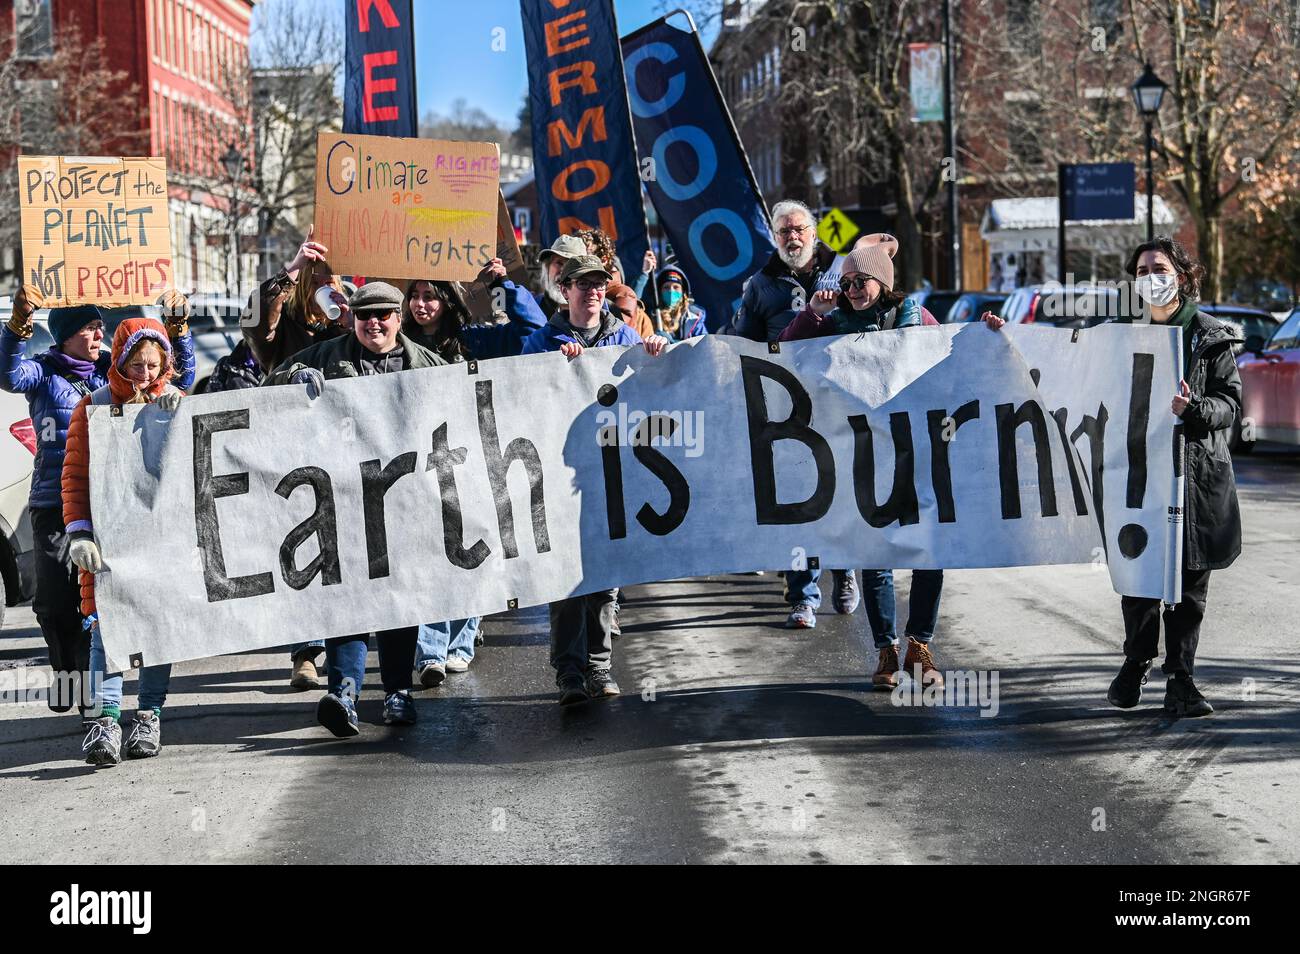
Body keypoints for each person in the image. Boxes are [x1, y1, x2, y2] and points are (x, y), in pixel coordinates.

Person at [981, 236, 1241, 717]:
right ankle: (1136, 662)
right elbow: (1066, 362)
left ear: (1182, 276)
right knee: (1139, 575)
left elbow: (1231, 404)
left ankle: (1181, 680)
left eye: (1159, 268)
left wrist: (1196, 408)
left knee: (1187, 586)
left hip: (1193, 479)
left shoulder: (1209, 336)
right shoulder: (1119, 333)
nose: (1149, 278)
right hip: (1135, 476)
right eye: (1140, 271)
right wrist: (1007, 336)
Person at [264, 281, 448, 736]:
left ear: (399, 319)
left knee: (398, 602)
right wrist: (293, 381)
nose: (375, 323)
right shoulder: (325, 356)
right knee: (347, 600)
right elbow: (268, 383)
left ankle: (396, 693)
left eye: (384, 315)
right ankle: (342, 694)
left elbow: (467, 396)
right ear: (352, 319)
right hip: (342, 503)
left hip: (403, 501)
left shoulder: (426, 363)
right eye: (366, 315)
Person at [1, 286, 194, 715]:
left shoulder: (112, 371)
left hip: (113, 501)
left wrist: (178, 327)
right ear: (66, 335)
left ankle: (94, 688)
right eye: (89, 329)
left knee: (99, 596)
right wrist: (17, 324)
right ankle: (66, 673)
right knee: (54, 599)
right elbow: (6, 375)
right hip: (55, 498)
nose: (98, 336)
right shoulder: (43, 372)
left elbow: (173, 375)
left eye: (100, 328)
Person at [779, 235, 945, 688]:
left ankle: (920, 646)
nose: (852, 288)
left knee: (932, 550)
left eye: (862, 280)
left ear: (883, 283)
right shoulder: (831, 323)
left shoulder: (914, 318)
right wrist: (813, 312)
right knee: (874, 554)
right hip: (862, 457)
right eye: (847, 280)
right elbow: (783, 352)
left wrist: (990, 331)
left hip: (917, 454)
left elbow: (957, 355)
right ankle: (886, 651)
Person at [521, 255, 668, 705]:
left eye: (600, 284)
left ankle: (599, 665)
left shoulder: (626, 337)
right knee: (566, 577)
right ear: (564, 290)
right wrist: (554, 368)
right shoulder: (540, 342)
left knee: (604, 576)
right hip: (560, 475)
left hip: (612, 474)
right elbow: (522, 401)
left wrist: (658, 352)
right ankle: (569, 671)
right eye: (583, 284)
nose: (593, 291)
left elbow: (657, 393)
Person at [400, 258, 545, 686]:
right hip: (418, 468)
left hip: (470, 463)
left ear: (447, 302)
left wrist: (504, 284)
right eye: (415, 296)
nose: (422, 304)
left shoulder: (472, 341)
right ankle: (430, 652)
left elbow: (529, 331)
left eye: (431, 296)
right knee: (430, 557)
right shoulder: (396, 346)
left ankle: (460, 643)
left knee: (472, 554)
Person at [63, 317, 187, 764]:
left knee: (158, 631)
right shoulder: (92, 408)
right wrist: (78, 532)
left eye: (154, 364)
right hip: (109, 543)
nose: (146, 374)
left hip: (161, 541)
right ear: (120, 361)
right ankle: (105, 721)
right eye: (136, 364)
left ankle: (149, 714)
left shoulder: (177, 405)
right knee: (106, 633)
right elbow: (75, 475)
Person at [726, 199, 855, 628]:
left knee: (846, 494)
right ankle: (803, 596)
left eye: (799, 229)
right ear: (775, 238)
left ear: (814, 234)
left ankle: (847, 569)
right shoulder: (761, 286)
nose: (792, 237)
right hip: (788, 410)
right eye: (784, 232)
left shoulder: (843, 274)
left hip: (839, 401)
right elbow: (740, 344)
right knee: (802, 499)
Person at [244, 225, 350, 690]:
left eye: (334, 279)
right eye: (318, 277)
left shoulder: (348, 324)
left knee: (344, 551)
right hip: (293, 450)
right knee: (303, 548)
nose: (326, 286)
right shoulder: (280, 329)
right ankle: (305, 654)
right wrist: (291, 269)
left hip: (344, 448)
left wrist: (351, 318)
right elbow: (251, 322)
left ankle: (345, 644)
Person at [535, 234, 588, 319]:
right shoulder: (533, 308)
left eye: (571, 264)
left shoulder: (599, 310)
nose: (563, 271)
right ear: (547, 268)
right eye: (559, 263)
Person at [653, 265, 709, 341]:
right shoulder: (653, 315)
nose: (671, 291)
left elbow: (704, 344)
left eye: (676, 287)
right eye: (666, 287)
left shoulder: (693, 318)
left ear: (683, 292)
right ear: (660, 292)